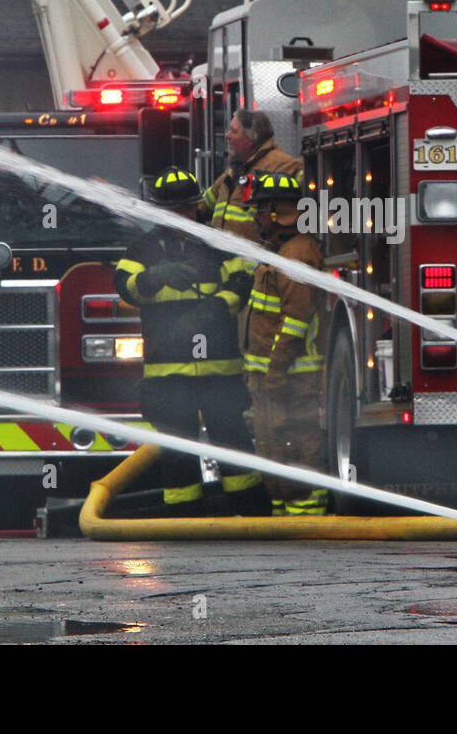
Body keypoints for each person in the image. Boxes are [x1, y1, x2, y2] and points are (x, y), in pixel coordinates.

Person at [113, 167, 269, 516]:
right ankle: (185, 522)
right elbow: (124, 284)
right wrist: (154, 276)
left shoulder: (215, 245)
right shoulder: (143, 249)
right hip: (168, 374)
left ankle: (251, 517)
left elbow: (242, 281)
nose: (179, 216)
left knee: (233, 444)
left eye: (185, 208)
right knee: (177, 452)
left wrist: (216, 307)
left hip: (219, 369)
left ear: (197, 206)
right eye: (171, 211)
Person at [242, 171, 327, 515]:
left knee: (297, 440)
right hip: (272, 376)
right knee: (274, 442)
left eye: (260, 210)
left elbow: (294, 322)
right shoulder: (281, 252)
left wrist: (275, 370)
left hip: (291, 376)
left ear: (276, 211)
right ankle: (282, 512)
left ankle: (305, 512)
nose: (256, 217)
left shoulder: (296, 256)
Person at [203, 110, 302, 245]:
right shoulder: (234, 172)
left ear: (251, 139)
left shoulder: (284, 166)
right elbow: (204, 205)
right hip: (223, 261)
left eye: (233, 131)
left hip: (256, 262)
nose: (227, 136)